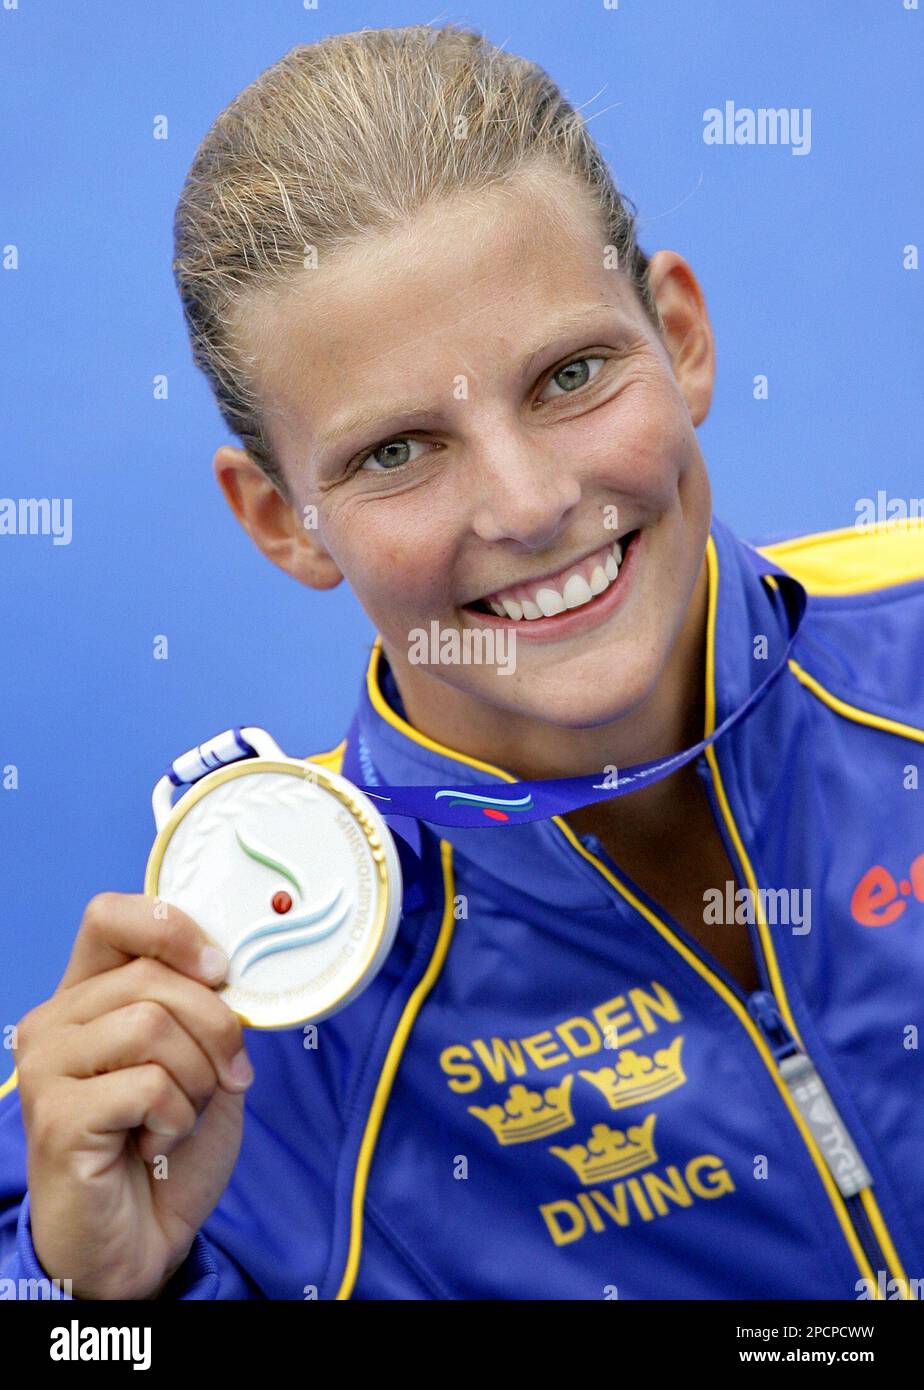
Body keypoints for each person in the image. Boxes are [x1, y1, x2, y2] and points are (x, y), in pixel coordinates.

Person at [2, 23, 923, 1301]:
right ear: (281, 521)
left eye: (572, 374)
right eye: (396, 451)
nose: (528, 502)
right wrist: (96, 1303)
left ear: (680, 334)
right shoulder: (231, 1039)